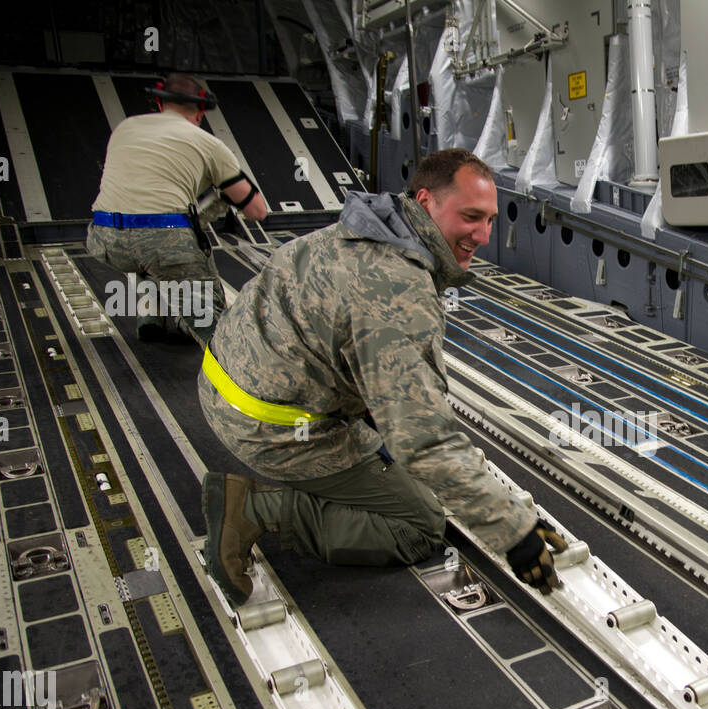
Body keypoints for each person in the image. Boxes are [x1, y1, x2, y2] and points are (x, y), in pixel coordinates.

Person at [197, 148, 565, 606]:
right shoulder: (397, 288)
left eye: (490, 220)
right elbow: (424, 439)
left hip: (228, 381)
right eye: (471, 217)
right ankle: (254, 509)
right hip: (272, 426)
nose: (483, 235)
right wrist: (512, 529)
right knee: (420, 523)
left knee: (415, 471)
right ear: (426, 201)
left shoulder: (365, 228)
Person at [87, 73, 268, 341]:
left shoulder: (125, 127)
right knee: (208, 316)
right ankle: (196, 325)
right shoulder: (209, 144)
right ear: (200, 112)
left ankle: (150, 312)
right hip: (161, 244)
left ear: (160, 104)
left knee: (150, 249)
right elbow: (257, 211)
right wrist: (222, 197)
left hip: (103, 239)